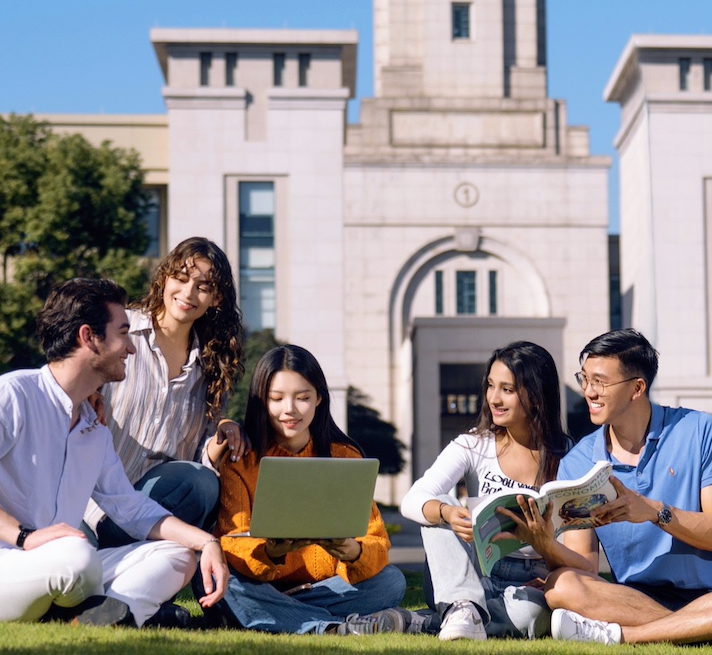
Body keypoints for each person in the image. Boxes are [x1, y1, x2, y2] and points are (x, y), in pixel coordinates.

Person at [0, 278, 231, 626]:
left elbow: (130, 507)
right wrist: (25, 536)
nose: (131, 350)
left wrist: (206, 543)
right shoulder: (14, 394)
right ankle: (123, 612)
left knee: (177, 556)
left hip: (62, 566)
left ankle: (107, 616)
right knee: (77, 556)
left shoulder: (93, 426)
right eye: (122, 334)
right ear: (89, 337)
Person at [536, 330, 712, 649]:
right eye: (584, 379)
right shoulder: (577, 462)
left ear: (637, 388)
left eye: (600, 381)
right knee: (561, 586)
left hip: (711, 594)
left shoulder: (699, 430)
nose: (588, 392)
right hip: (630, 599)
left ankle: (625, 636)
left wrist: (654, 513)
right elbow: (585, 567)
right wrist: (543, 542)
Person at [213, 343, 415, 635]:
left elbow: (377, 541)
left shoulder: (345, 456)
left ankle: (277, 614)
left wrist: (353, 551)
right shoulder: (241, 461)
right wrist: (270, 552)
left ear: (319, 398)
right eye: (277, 398)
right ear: (261, 401)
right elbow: (231, 542)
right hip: (260, 584)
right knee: (223, 581)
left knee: (391, 581)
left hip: (326, 588)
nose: (289, 410)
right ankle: (330, 626)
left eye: (303, 398)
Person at [402, 341, 569, 640]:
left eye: (507, 389)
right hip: (473, 570)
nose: (494, 398)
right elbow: (412, 500)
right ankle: (465, 606)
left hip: (534, 579)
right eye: (491, 386)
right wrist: (447, 513)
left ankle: (432, 621)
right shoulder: (472, 444)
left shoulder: (568, 455)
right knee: (438, 502)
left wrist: (550, 579)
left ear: (536, 395)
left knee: (532, 615)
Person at [89, 237, 247, 551]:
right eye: (181, 278)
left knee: (201, 481)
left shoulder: (211, 368)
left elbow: (197, 458)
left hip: (158, 511)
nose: (187, 293)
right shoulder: (121, 330)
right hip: (93, 504)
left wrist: (222, 436)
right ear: (165, 278)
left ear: (216, 299)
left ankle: (144, 560)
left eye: (202, 287)